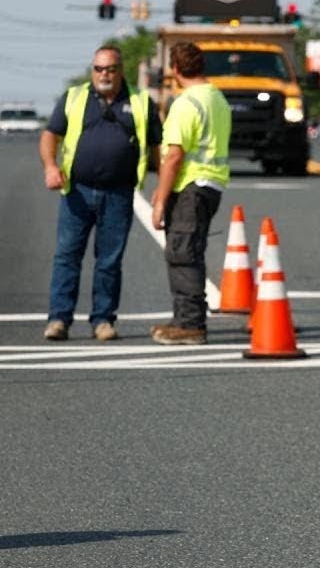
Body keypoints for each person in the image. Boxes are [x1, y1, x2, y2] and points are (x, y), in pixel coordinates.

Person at [40, 45, 161, 341]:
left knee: (109, 260)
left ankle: (103, 320)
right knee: (67, 256)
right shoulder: (74, 97)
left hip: (118, 194)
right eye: (99, 69)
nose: (104, 74)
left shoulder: (142, 103)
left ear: (121, 71)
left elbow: (159, 147)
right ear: (92, 70)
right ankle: (59, 319)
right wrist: (50, 167)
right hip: (77, 192)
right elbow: (50, 135)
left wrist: (162, 188)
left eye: (110, 69)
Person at [150, 42, 232, 345]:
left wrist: (159, 198)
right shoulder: (217, 98)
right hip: (211, 185)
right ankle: (182, 317)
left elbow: (173, 156)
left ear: (175, 69)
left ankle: (190, 324)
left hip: (191, 186)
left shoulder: (186, 104)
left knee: (182, 253)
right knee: (188, 250)